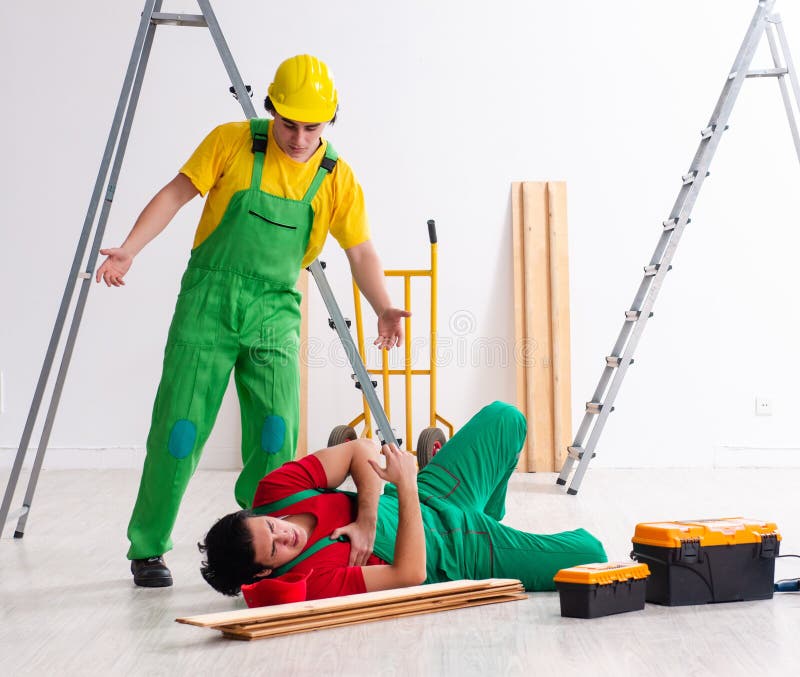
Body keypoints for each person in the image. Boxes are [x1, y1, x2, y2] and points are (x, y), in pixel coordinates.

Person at [95, 54, 409, 588]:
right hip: (208, 305)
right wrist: (129, 249)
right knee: (179, 431)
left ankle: (264, 542)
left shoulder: (337, 177)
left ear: (329, 120)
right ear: (271, 110)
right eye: (290, 124)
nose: (300, 138)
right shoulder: (231, 142)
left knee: (275, 437)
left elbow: (360, 252)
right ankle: (148, 547)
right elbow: (175, 194)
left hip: (275, 312)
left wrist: (382, 304)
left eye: (313, 127)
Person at [198, 402, 607, 604]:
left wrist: (367, 519)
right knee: (591, 554)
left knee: (506, 417)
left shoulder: (275, 491)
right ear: (267, 569)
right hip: (458, 550)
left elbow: (360, 449)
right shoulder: (309, 580)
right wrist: (406, 485)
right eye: (275, 547)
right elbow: (412, 572)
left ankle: (490, 517)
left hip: (433, 492)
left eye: (270, 525)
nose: (284, 533)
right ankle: (496, 539)